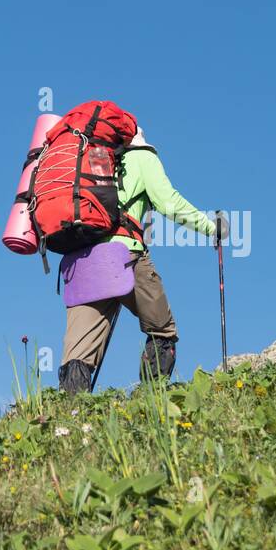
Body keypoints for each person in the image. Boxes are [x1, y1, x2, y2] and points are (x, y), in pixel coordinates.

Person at [58, 127, 221, 392]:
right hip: (124, 255)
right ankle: (151, 399)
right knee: (162, 329)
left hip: (82, 260)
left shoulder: (86, 161)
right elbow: (170, 203)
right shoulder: (142, 157)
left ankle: (71, 414)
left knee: (78, 350)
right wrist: (212, 227)